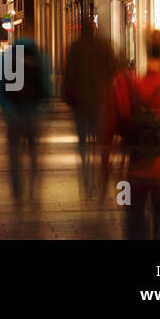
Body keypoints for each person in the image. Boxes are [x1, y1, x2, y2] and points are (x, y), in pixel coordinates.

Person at [101, 29, 160, 239]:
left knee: (133, 225)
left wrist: (105, 166)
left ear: (144, 51)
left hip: (134, 172)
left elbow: (109, 128)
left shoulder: (128, 86)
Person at [0, 37, 51, 210]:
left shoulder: (6, 58)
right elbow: (47, 85)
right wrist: (44, 107)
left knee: (14, 154)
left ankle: (18, 191)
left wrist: (5, 109)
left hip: (14, 114)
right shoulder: (39, 57)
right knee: (33, 154)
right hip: (33, 113)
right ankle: (34, 189)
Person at [63, 20, 119, 199]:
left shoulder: (75, 48)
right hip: (100, 101)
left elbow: (68, 74)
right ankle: (100, 176)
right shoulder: (104, 47)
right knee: (100, 139)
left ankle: (86, 173)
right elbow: (115, 71)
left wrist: (68, 98)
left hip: (80, 103)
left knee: (82, 140)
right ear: (94, 29)